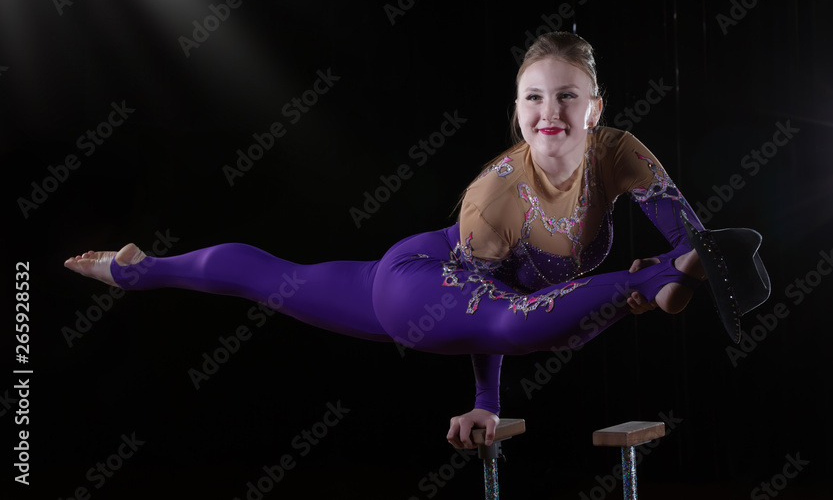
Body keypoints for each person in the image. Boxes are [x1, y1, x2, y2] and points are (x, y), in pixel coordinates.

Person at [64, 31, 729, 451]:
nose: (548, 113)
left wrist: (695, 264)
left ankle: (138, 270)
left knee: (269, 277)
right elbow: (490, 320)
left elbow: (695, 241)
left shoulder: (621, 155)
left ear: (595, 107)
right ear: (516, 108)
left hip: (435, 279)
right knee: (535, 322)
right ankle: (643, 284)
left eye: (566, 96)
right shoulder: (494, 194)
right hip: (421, 288)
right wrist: (487, 402)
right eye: (533, 97)